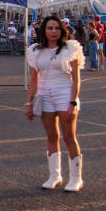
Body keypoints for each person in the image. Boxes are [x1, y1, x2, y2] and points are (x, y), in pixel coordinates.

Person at [25, 16, 85, 191]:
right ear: (44, 30)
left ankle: (76, 177)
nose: (53, 31)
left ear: (62, 30)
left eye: (57, 28)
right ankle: (55, 175)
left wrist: (73, 102)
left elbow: (76, 79)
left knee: (69, 136)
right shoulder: (35, 50)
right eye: (50, 28)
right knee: (52, 136)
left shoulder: (70, 48)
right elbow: (34, 79)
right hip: (44, 96)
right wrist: (28, 103)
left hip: (65, 93)